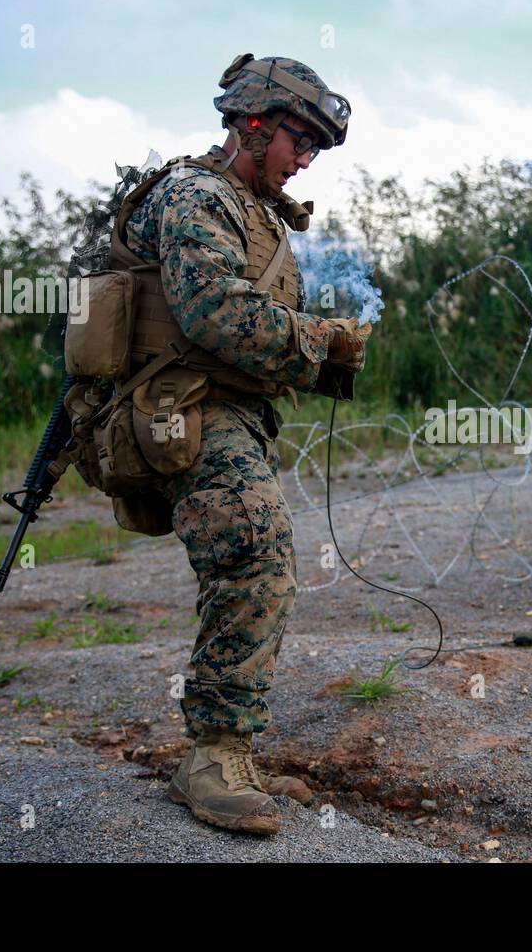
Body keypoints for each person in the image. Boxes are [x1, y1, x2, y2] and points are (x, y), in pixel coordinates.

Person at [107, 54, 371, 835]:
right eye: (299, 139)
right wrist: (324, 341)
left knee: (256, 563)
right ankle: (212, 759)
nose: (305, 159)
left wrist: (323, 352)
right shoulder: (198, 196)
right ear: (252, 123)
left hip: (224, 410)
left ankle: (232, 750)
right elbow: (215, 314)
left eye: (316, 148)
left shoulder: (251, 209)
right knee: (254, 555)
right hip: (182, 410)